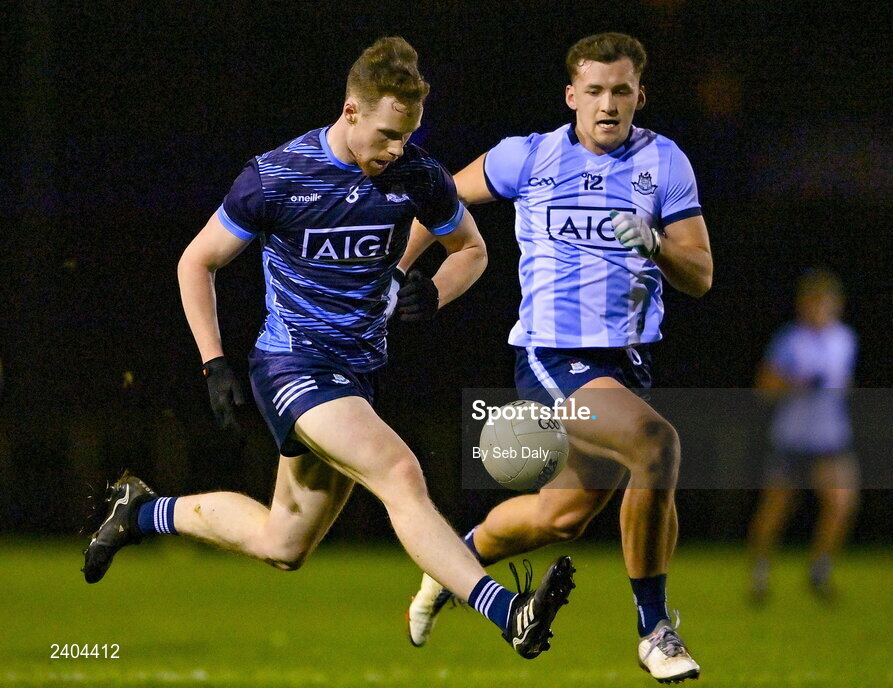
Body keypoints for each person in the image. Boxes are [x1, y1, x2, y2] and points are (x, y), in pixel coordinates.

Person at [81, 37, 575, 660]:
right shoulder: (277, 176)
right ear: (350, 112)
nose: (395, 149)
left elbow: (471, 250)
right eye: (387, 134)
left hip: (356, 374)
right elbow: (196, 262)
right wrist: (213, 362)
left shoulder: (415, 174)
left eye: (408, 135)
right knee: (400, 473)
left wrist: (432, 294)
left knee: (284, 544)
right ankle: (509, 612)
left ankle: (143, 511)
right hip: (292, 366)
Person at [402, 33, 711, 683]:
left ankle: (449, 566)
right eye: (594, 90)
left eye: (621, 90)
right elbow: (441, 198)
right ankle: (654, 629)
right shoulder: (531, 156)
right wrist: (402, 271)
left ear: (639, 97)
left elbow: (701, 274)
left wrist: (654, 241)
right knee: (657, 445)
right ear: (572, 96)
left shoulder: (666, 162)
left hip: (626, 364)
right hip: (553, 355)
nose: (608, 104)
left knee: (560, 516)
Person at [747, 269, 859, 603]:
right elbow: (764, 387)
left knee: (841, 503)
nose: (818, 309)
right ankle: (760, 572)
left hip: (831, 437)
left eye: (825, 303)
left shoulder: (845, 339)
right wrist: (797, 384)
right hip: (793, 438)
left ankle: (819, 571)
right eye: (813, 302)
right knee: (777, 508)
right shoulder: (790, 340)